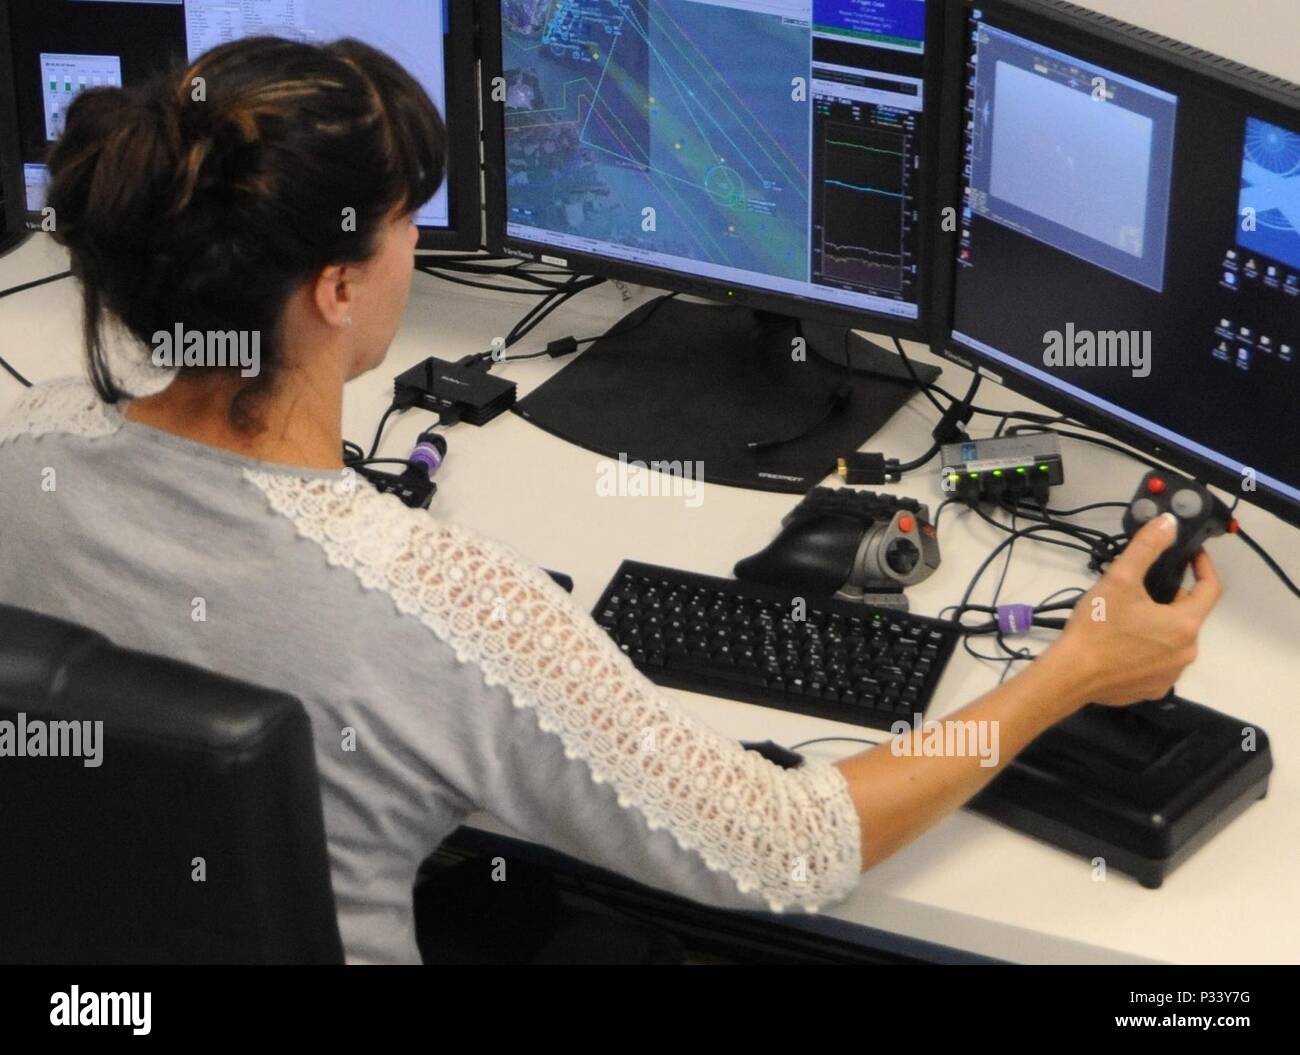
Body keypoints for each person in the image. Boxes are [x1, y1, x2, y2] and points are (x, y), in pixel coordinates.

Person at [0, 36, 1221, 964]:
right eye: (401, 223)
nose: (415, 249)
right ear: (333, 288)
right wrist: (1070, 671)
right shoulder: (433, 605)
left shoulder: (24, 454)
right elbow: (788, 847)